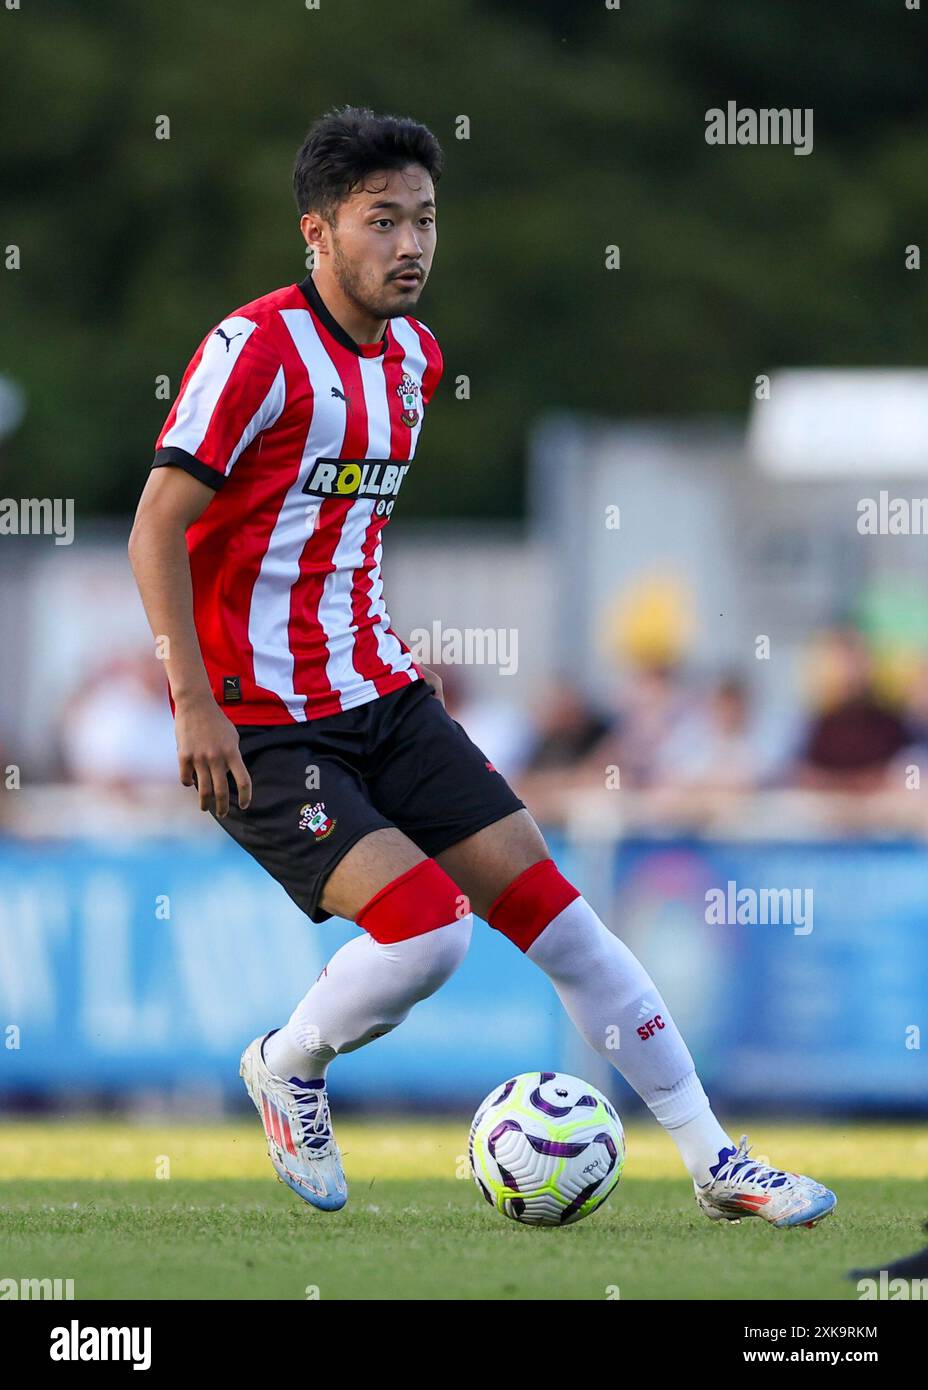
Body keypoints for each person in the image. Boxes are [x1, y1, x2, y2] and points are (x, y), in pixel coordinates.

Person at [128, 105, 835, 1228]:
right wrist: (193, 699)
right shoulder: (253, 350)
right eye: (380, 222)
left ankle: (715, 1161)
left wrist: (397, 651)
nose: (409, 245)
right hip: (259, 723)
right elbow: (155, 526)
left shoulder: (414, 359)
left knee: (565, 921)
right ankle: (288, 1062)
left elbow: (336, 534)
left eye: (424, 220)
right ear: (316, 231)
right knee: (431, 931)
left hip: (383, 697)